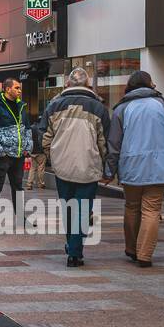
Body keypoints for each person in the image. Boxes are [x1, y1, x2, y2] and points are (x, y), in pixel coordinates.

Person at [105, 70, 164, 267]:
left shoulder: (122, 108)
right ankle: (145, 255)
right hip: (160, 166)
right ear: (150, 84)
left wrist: (109, 171)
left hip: (131, 166)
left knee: (132, 207)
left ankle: (132, 248)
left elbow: (114, 144)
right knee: (152, 209)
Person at [39, 67, 109, 267]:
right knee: (82, 209)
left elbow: (44, 136)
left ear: (67, 84)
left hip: (62, 167)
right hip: (89, 165)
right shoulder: (98, 108)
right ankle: (75, 252)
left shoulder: (53, 106)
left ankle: (72, 244)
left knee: (68, 208)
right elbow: (104, 140)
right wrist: (105, 163)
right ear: (88, 85)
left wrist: (52, 156)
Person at [0, 78, 31, 233]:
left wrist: (27, 148)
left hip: (18, 155)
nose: (19, 90)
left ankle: (22, 219)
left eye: (20, 88)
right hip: (2, 156)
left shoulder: (21, 107)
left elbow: (27, 129)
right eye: (16, 88)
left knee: (18, 188)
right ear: (8, 89)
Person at [27, 116, 48, 191]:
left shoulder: (31, 127)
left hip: (33, 151)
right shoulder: (43, 129)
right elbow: (44, 140)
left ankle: (29, 184)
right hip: (41, 152)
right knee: (41, 168)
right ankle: (41, 184)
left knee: (32, 168)